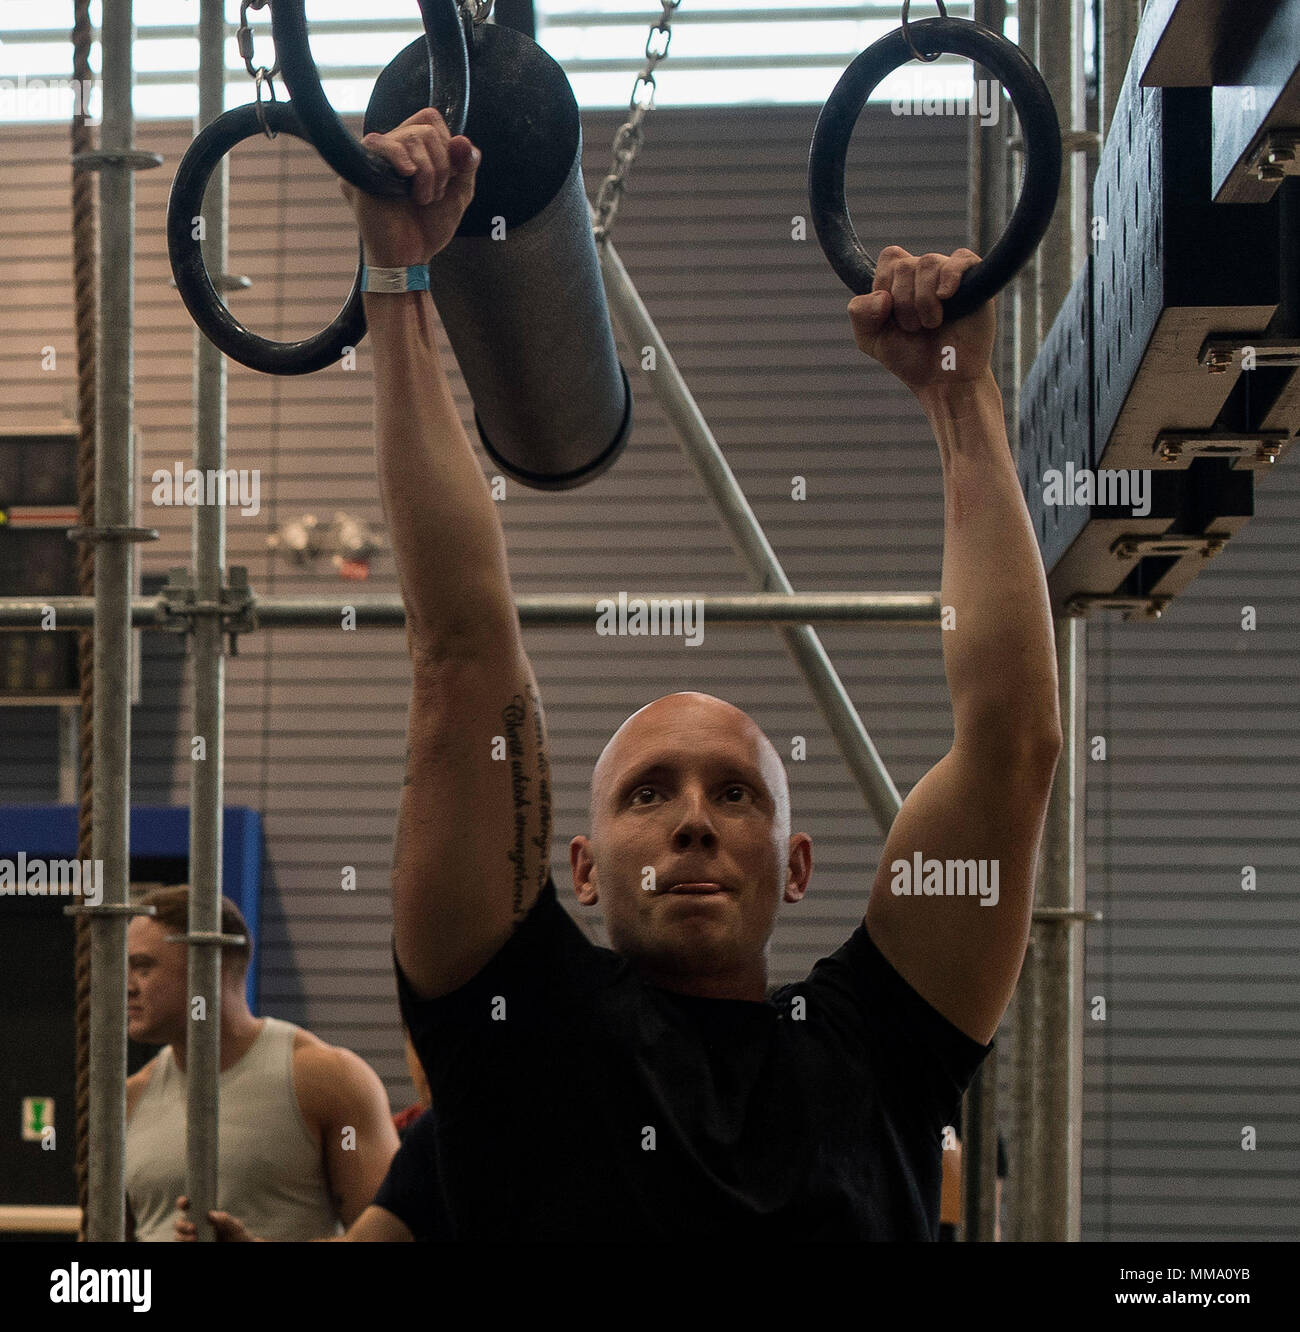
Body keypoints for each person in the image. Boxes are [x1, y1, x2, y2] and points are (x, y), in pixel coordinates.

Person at [195, 106, 1061, 1242]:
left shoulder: (879, 1050)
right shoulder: (516, 1026)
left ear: (796, 864)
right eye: (648, 794)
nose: (693, 822)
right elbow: (459, 656)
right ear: (582, 866)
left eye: (734, 793)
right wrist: (397, 282)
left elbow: (1014, 743)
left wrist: (962, 393)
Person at [124, 886, 399, 1241]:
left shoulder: (327, 1080)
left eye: (142, 966)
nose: (126, 985)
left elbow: (394, 1237)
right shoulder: (131, 1098)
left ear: (212, 966)